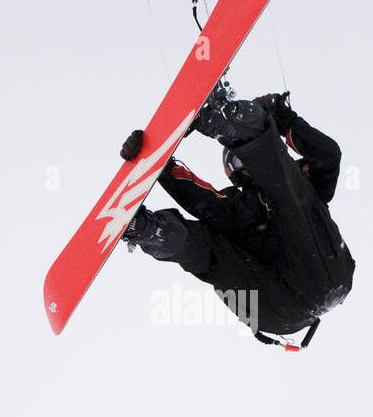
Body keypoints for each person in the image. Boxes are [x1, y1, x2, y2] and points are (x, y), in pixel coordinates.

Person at [120, 86, 356, 345]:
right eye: (237, 165)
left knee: (288, 190)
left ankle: (222, 119)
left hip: (309, 286)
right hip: (278, 309)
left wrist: (282, 117)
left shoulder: (302, 181)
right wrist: (160, 167)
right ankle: (149, 230)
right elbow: (203, 202)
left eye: (242, 159)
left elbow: (327, 156)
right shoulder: (239, 206)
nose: (244, 168)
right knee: (212, 253)